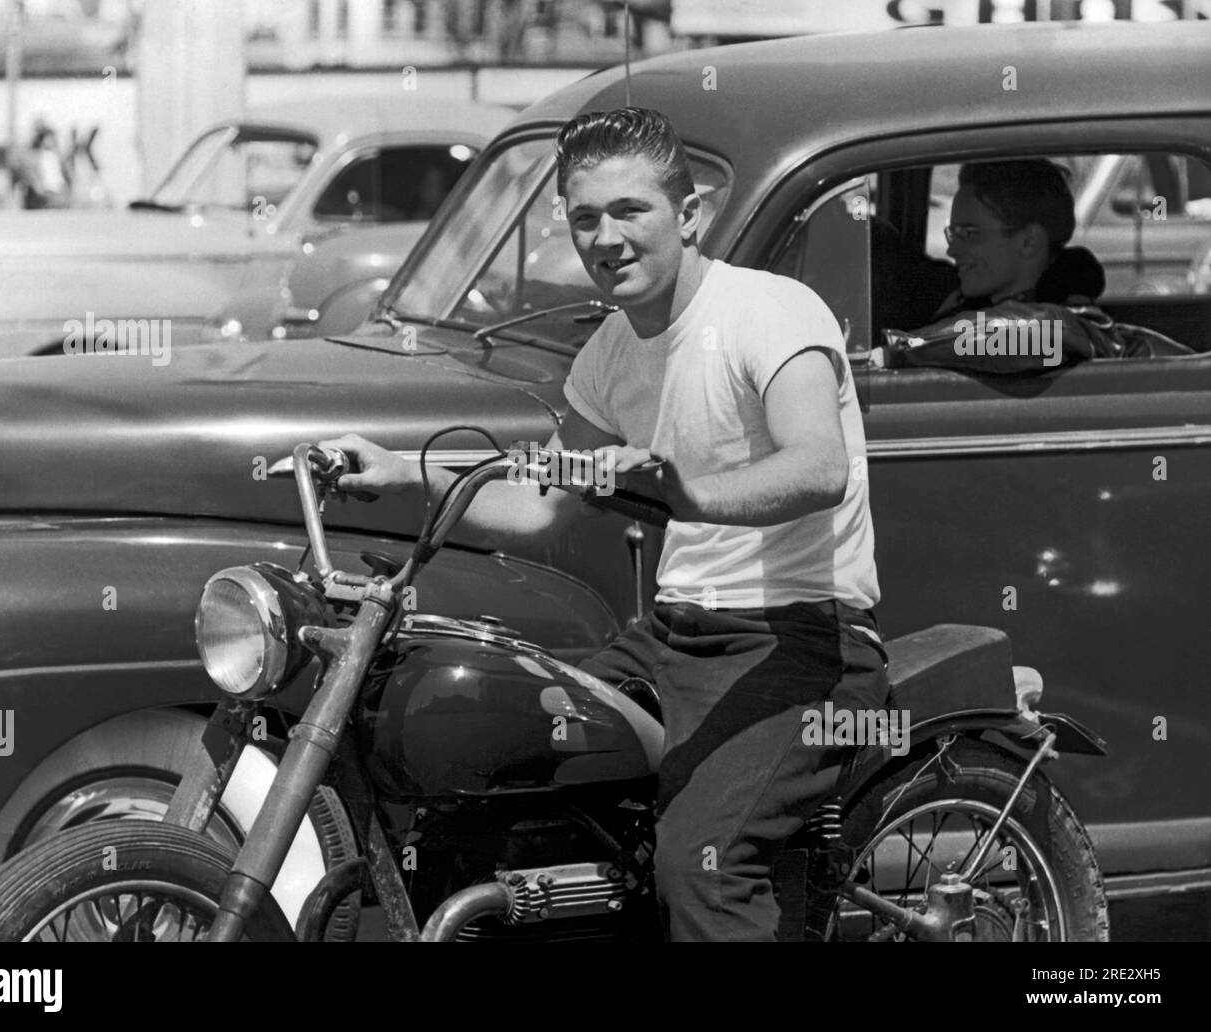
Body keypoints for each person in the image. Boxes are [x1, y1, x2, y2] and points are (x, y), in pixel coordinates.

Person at [318, 107, 888, 941]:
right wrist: (399, 470)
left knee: (703, 865)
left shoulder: (773, 313)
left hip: (803, 636)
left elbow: (819, 468)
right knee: (509, 761)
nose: (606, 238)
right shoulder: (611, 352)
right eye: (585, 218)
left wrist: (685, 488)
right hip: (674, 636)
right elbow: (536, 497)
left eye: (630, 212)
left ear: (688, 217)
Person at [878, 159, 1191, 372]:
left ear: (1028, 242)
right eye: (953, 233)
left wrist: (895, 351)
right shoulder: (969, 298)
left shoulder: (1072, 325)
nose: (951, 248)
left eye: (970, 234)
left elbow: (1034, 332)